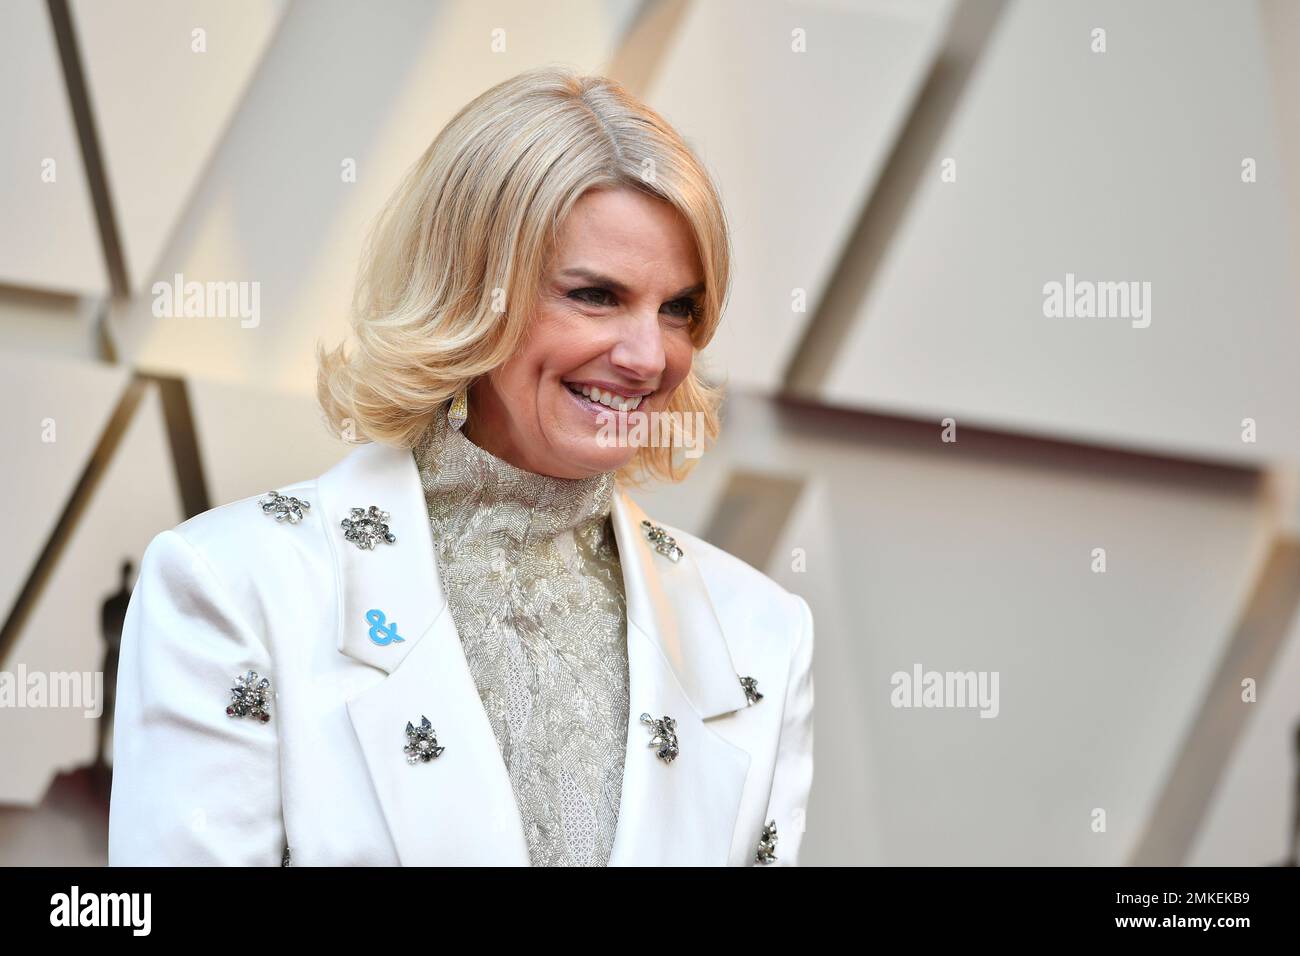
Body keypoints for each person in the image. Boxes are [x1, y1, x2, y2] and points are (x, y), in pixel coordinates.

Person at [108, 66, 814, 866]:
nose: (648, 356)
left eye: (678, 308)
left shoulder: (763, 635)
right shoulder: (234, 588)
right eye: (595, 296)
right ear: (471, 291)